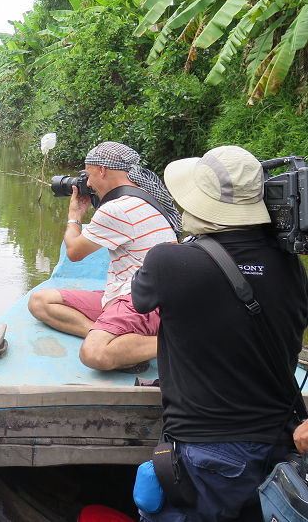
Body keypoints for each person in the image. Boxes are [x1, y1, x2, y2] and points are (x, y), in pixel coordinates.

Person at [132, 145, 308, 522]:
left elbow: (140, 298)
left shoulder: (169, 261)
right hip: (279, 444)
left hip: (207, 455)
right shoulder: (291, 265)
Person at [28, 141, 180, 373]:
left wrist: (74, 216)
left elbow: (74, 252)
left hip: (141, 302)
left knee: (94, 354)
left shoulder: (116, 208)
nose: (87, 184)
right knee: (39, 301)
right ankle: (111, 337)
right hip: (137, 295)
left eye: (88, 176)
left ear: (102, 170)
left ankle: (182, 342)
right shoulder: (147, 196)